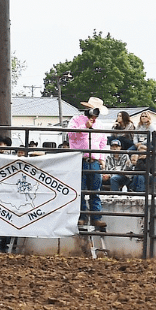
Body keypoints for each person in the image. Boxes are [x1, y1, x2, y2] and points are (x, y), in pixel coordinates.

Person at [68, 97, 108, 231]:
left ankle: (96, 217)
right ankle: (83, 216)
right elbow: (70, 135)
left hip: (94, 159)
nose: (95, 115)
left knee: (94, 190)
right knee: (81, 190)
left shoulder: (100, 125)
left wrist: (102, 158)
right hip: (79, 159)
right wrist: (84, 127)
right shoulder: (76, 120)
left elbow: (102, 143)